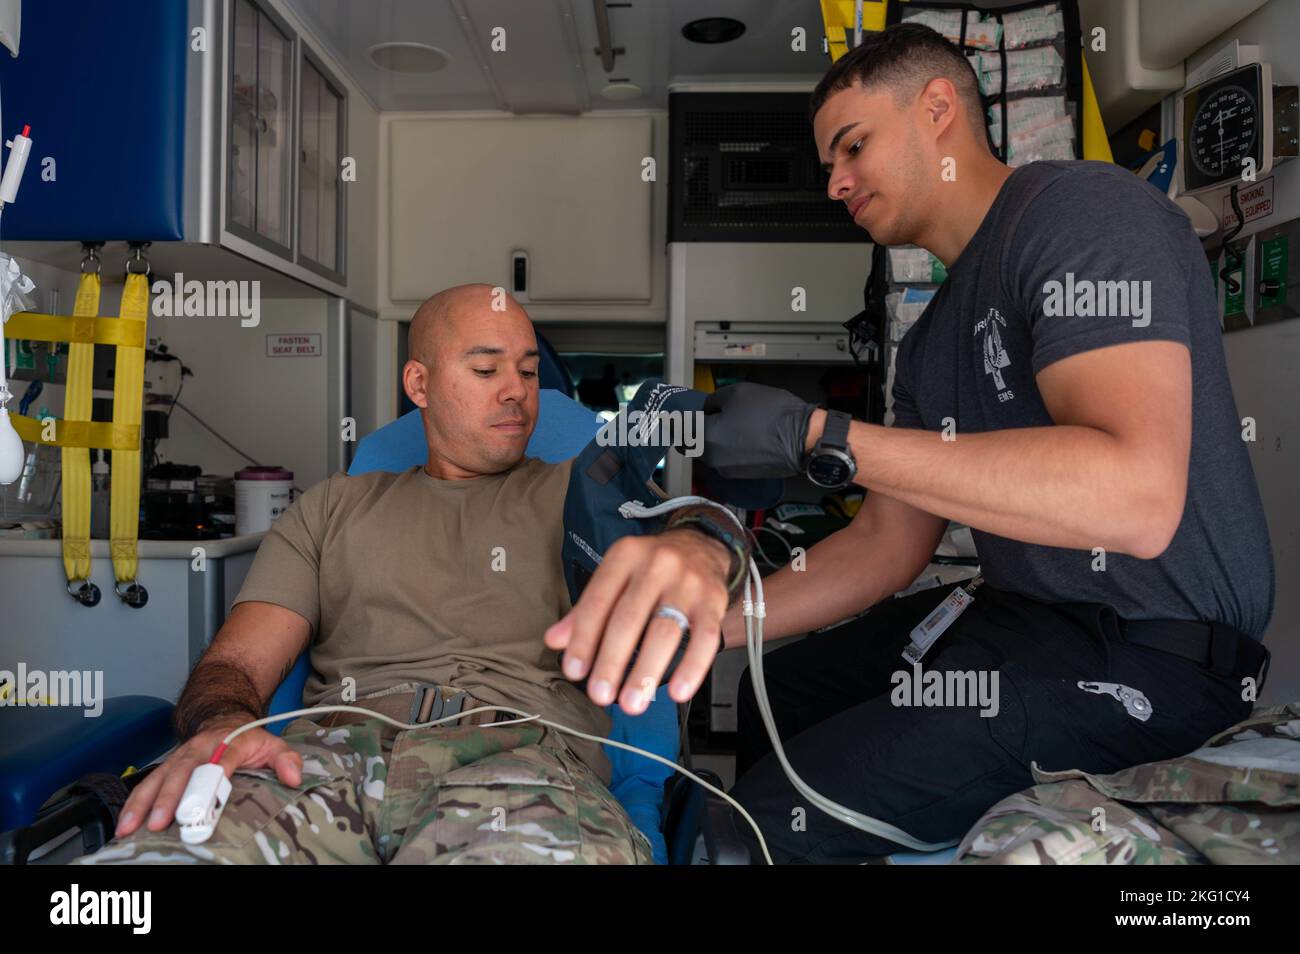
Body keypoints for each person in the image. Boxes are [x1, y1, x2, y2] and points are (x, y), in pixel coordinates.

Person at [551, 24, 1274, 864]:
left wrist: (820, 436)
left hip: (1154, 655)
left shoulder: (1082, 213)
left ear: (937, 110)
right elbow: (885, 545)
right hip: (1014, 618)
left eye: (852, 147)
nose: (836, 184)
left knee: (755, 826)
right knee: (769, 698)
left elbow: (1134, 498)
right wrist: (707, 624)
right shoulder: (933, 342)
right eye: (828, 164)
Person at [75, 284, 743, 865]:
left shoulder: (587, 495)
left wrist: (706, 542)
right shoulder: (330, 510)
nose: (516, 391)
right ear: (419, 384)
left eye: (529, 371)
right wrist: (222, 724)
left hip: (521, 769)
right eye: (485, 369)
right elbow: (236, 666)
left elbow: (708, 543)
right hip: (322, 767)